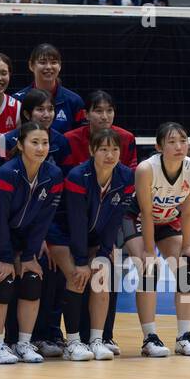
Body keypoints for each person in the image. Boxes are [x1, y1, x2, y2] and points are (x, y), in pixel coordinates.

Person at [0, 120, 63, 363]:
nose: (41, 148)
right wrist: (7, 258)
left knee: (31, 278)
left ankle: (23, 344)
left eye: (45, 143)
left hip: (16, 240)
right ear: (20, 145)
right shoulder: (7, 173)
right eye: (34, 142)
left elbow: (43, 222)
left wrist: (28, 256)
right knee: (3, 280)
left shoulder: (53, 175)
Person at [51, 127, 134, 361]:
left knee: (102, 274)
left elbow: (116, 220)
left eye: (115, 149)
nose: (110, 154)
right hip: (63, 237)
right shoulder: (78, 176)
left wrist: (103, 253)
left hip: (95, 240)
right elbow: (76, 222)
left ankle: (96, 339)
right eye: (104, 149)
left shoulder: (126, 177)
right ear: (91, 150)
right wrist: (80, 261)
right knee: (77, 278)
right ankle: (73, 342)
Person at [133, 122, 190, 357]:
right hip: (135, 218)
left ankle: (184, 336)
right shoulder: (146, 169)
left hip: (167, 220)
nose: (179, 146)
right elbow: (145, 213)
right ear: (158, 146)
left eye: (183, 140)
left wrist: (187, 246)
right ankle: (149, 338)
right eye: (172, 141)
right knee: (149, 269)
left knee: (186, 268)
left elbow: (188, 211)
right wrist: (147, 249)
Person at [12, 43, 85, 135]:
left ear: (60, 66)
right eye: (42, 62)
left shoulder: (74, 101)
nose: (48, 67)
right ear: (31, 65)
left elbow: (82, 136)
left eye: (54, 62)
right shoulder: (17, 101)